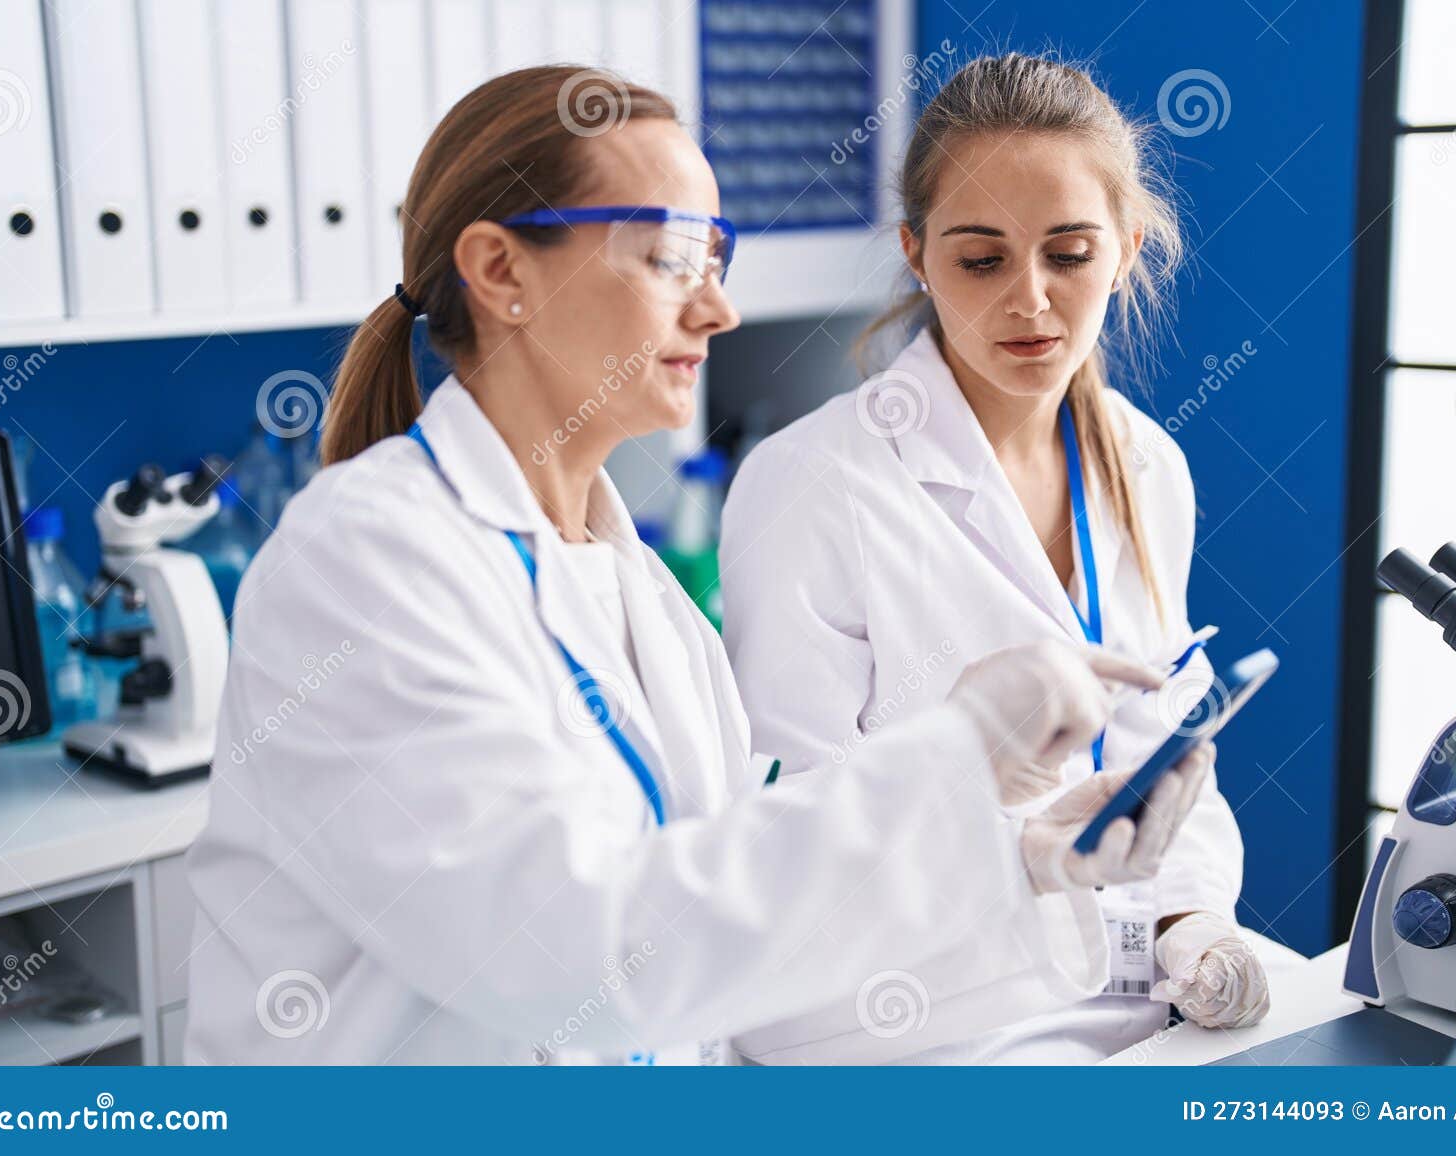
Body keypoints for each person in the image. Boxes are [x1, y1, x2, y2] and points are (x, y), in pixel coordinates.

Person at [183, 65, 1202, 1066]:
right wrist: (956, 752)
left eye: (716, 260)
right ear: (501, 273)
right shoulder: (367, 561)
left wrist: (1017, 858)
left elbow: (724, 915)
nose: (716, 311)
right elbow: (573, 959)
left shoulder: (649, 603)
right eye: (671, 258)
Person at [719, 53, 1272, 1064]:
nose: (1029, 300)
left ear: (1127, 248)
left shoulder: (1147, 464)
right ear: (917, 254)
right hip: (899, 1017)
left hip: (1119, 991)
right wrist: (1022, 861)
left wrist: (1189, 920)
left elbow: (1164, 744)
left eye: (1068, 254)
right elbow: (793, 835)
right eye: (981, 260)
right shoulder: (808, 483)